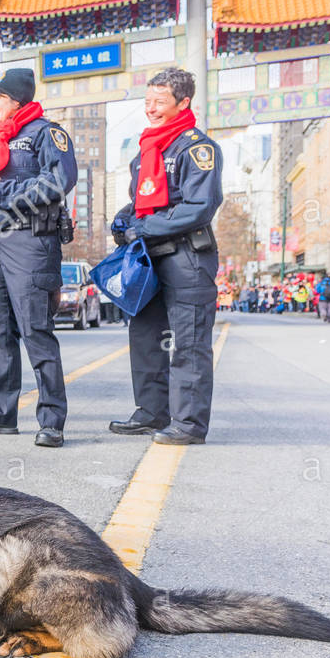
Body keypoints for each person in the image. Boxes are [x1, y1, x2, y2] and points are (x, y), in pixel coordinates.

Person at [0, 67, 76, 448]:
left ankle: (52, 419)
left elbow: (59, 180)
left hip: (30, 240)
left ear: (17, 100)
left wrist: (3, 191)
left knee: (36, 331)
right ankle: (0, 411)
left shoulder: (45, 133)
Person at [109, 67, 222, 445]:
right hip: (149, 260)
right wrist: (123, 219)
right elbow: (140, 202)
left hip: (188, 258)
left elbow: (198, 208)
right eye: (148, 102)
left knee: (187, 342)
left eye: (160, 102)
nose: (151, 109)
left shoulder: (197, 147)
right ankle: (151, 412)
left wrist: (143, 227)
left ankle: (188, 424)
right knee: (144, 337)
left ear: (183, 102)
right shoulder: (146, 150)